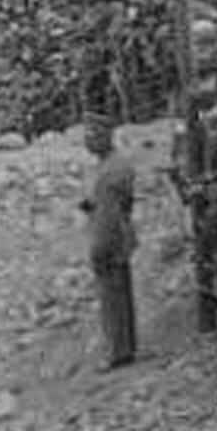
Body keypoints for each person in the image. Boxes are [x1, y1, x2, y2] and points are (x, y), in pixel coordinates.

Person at [83, 112, 140, 368]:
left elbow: (109, 213)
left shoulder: (111, 169)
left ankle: (117, 352)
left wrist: (98, 247)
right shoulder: (114, 164)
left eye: (93, 135)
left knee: (111, 295)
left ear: (106, 136)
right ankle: (125, 346)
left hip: (110, 237)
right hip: (118, 233)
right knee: (120, 293)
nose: (88, 140)